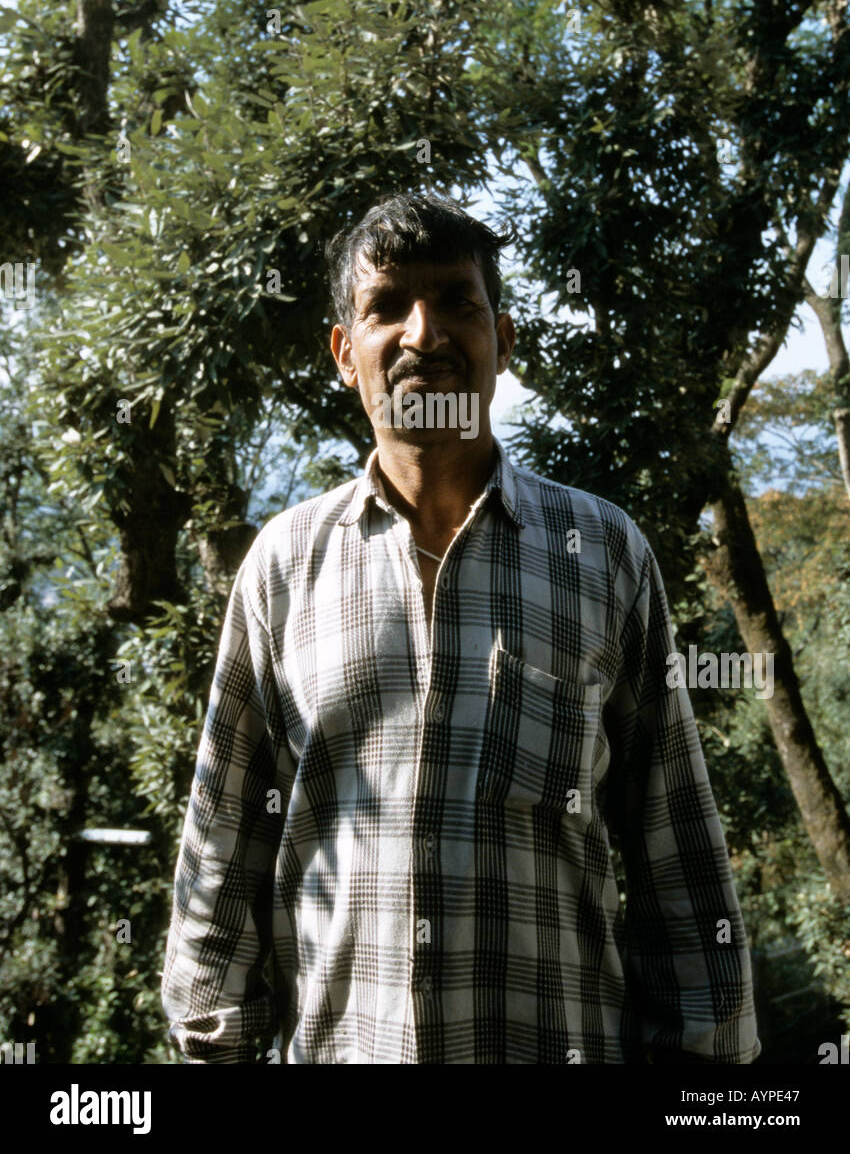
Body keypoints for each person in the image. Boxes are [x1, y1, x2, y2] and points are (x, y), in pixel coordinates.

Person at [161, 189, 760, 1065]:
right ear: (343, 352)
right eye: (386, 306)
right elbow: (219, 863)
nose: (423, 334)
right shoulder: (281, 568)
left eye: (456, 302)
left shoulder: (604, 554)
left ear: (503, 341)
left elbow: (680, 858)